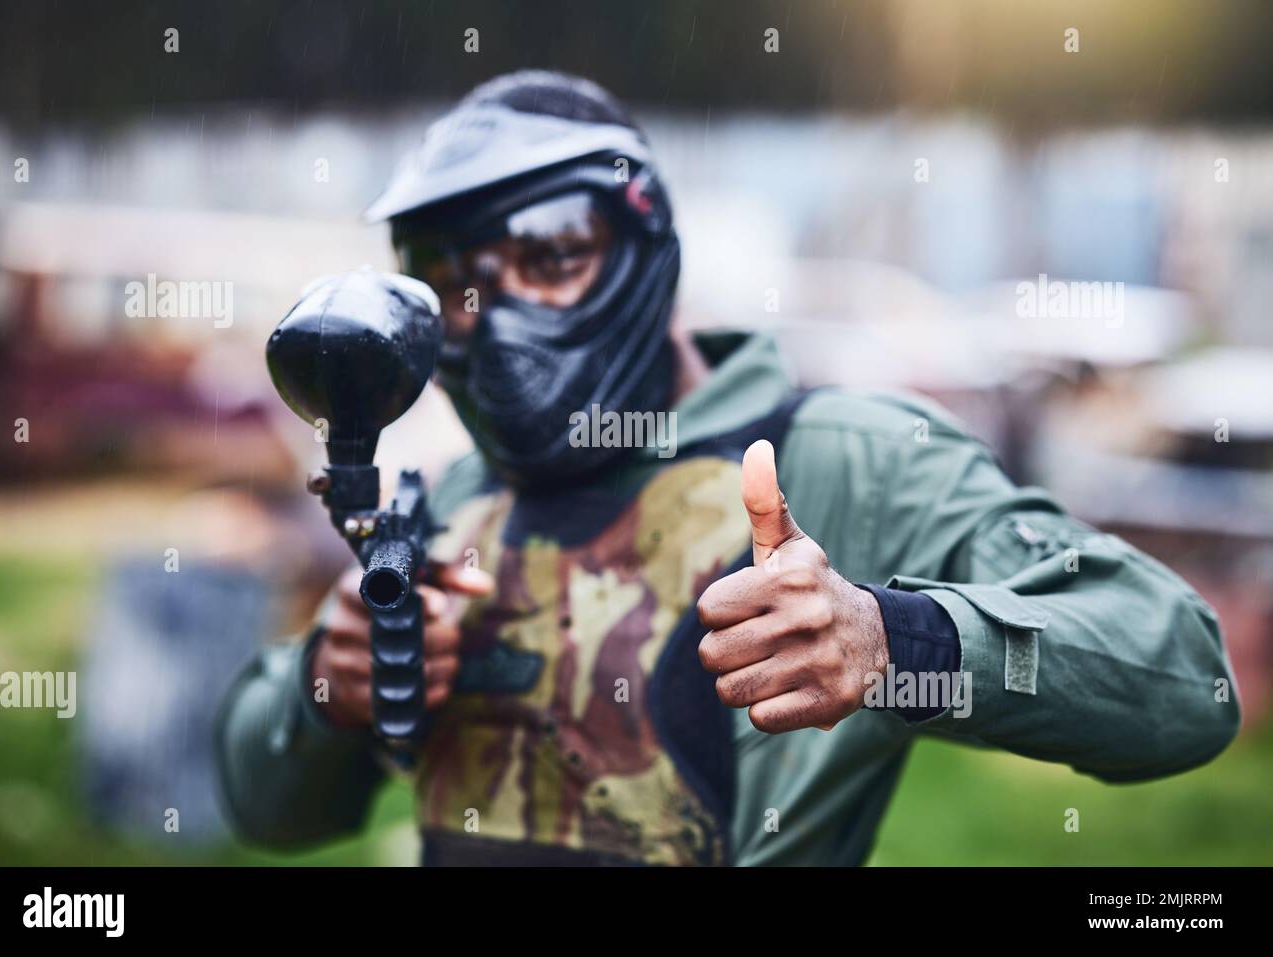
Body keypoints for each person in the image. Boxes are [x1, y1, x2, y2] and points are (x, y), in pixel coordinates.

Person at [214, 70, 1241, 866]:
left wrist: (896, 639)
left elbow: (1183, 676)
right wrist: (325, 686)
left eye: (548, 255)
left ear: (642, 244)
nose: (502, 312)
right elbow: (262, 811)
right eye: (453, 280)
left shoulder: (845, 460)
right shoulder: (456, 501)